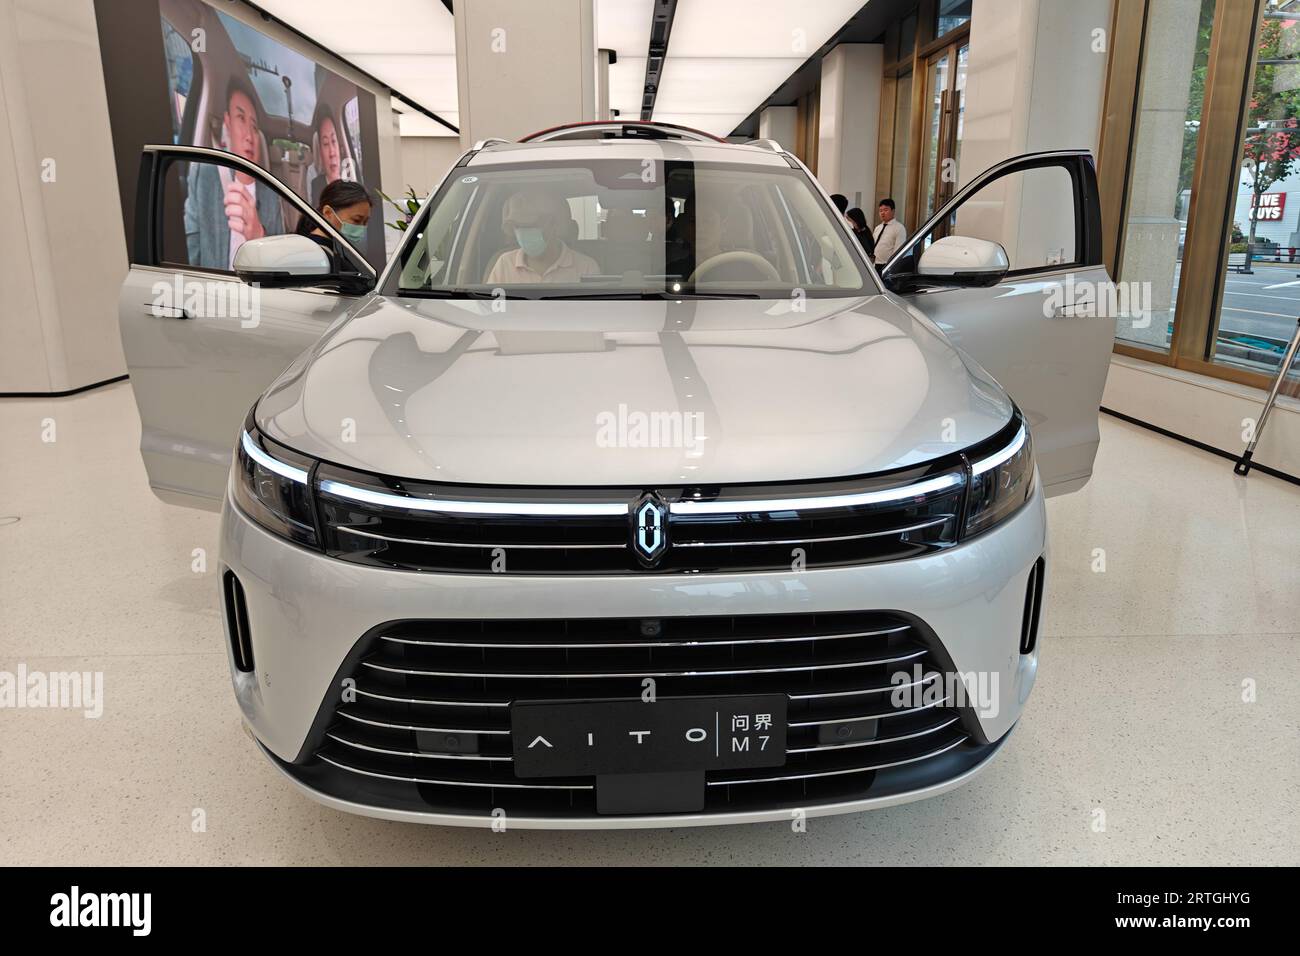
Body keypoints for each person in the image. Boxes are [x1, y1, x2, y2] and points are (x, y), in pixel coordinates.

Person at [184, 74, 285, 270]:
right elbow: (189, 254)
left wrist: (259, 235)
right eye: (241, 118)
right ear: (227, 123)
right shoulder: (203, 176)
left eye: (254, 126)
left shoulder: (272, 193)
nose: (249, 135)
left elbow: (280, 264)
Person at [483, 190, 601, 284]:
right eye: (518, 226)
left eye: (532, 225)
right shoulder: (505, 263)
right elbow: (490, 309)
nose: (524, 232)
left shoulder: (586, 267)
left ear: (554, 224)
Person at [296, 179, 373, 267]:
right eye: (356, 220)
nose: (361, 228)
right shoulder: (314, 254)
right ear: (328, 213)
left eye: (366, 222)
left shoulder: (341, 249)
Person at [310, 103, 344, 206]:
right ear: (320, 151)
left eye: (333, 141)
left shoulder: (351, 177)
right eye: (325, 144)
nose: (332, 153)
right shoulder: (316, 185)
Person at [872, 197, 907, 263]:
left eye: (885, 210)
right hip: (875, 264)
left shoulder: (899, 228)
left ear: (893, 211)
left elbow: (898, 251)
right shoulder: (877, 228)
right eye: (880, 210)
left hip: (887, 265)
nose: (882, 213)